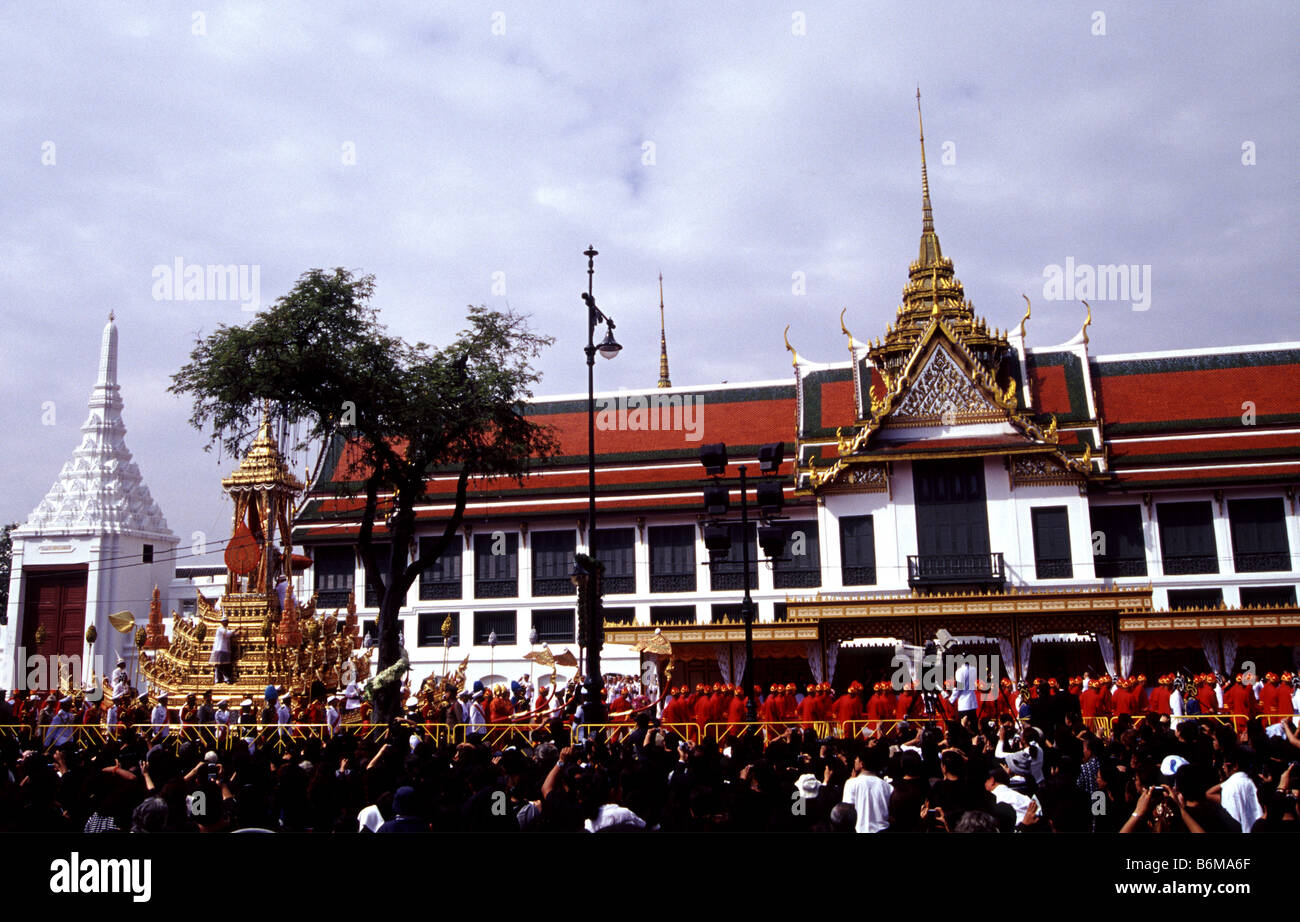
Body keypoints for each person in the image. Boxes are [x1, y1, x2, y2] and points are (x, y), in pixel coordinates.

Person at [841, 746, 893, 833]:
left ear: (862, 764)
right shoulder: (887, 787)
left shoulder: (851, 784)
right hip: (883, 830)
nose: (854, 761)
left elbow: (846, 812)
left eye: (856, 759)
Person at [209, 616, 237, 684]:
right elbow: (227, 634)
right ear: (222, 622)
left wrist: (235, 633)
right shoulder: (220, 629)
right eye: (225, 622)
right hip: (220, 649)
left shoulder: (226, 629)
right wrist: (235, 630)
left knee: (223, 665)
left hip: (225, 649)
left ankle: (221, 679)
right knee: (220, 665)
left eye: (227, 622)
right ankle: (221, 679)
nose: (226, 623)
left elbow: (229, 635)